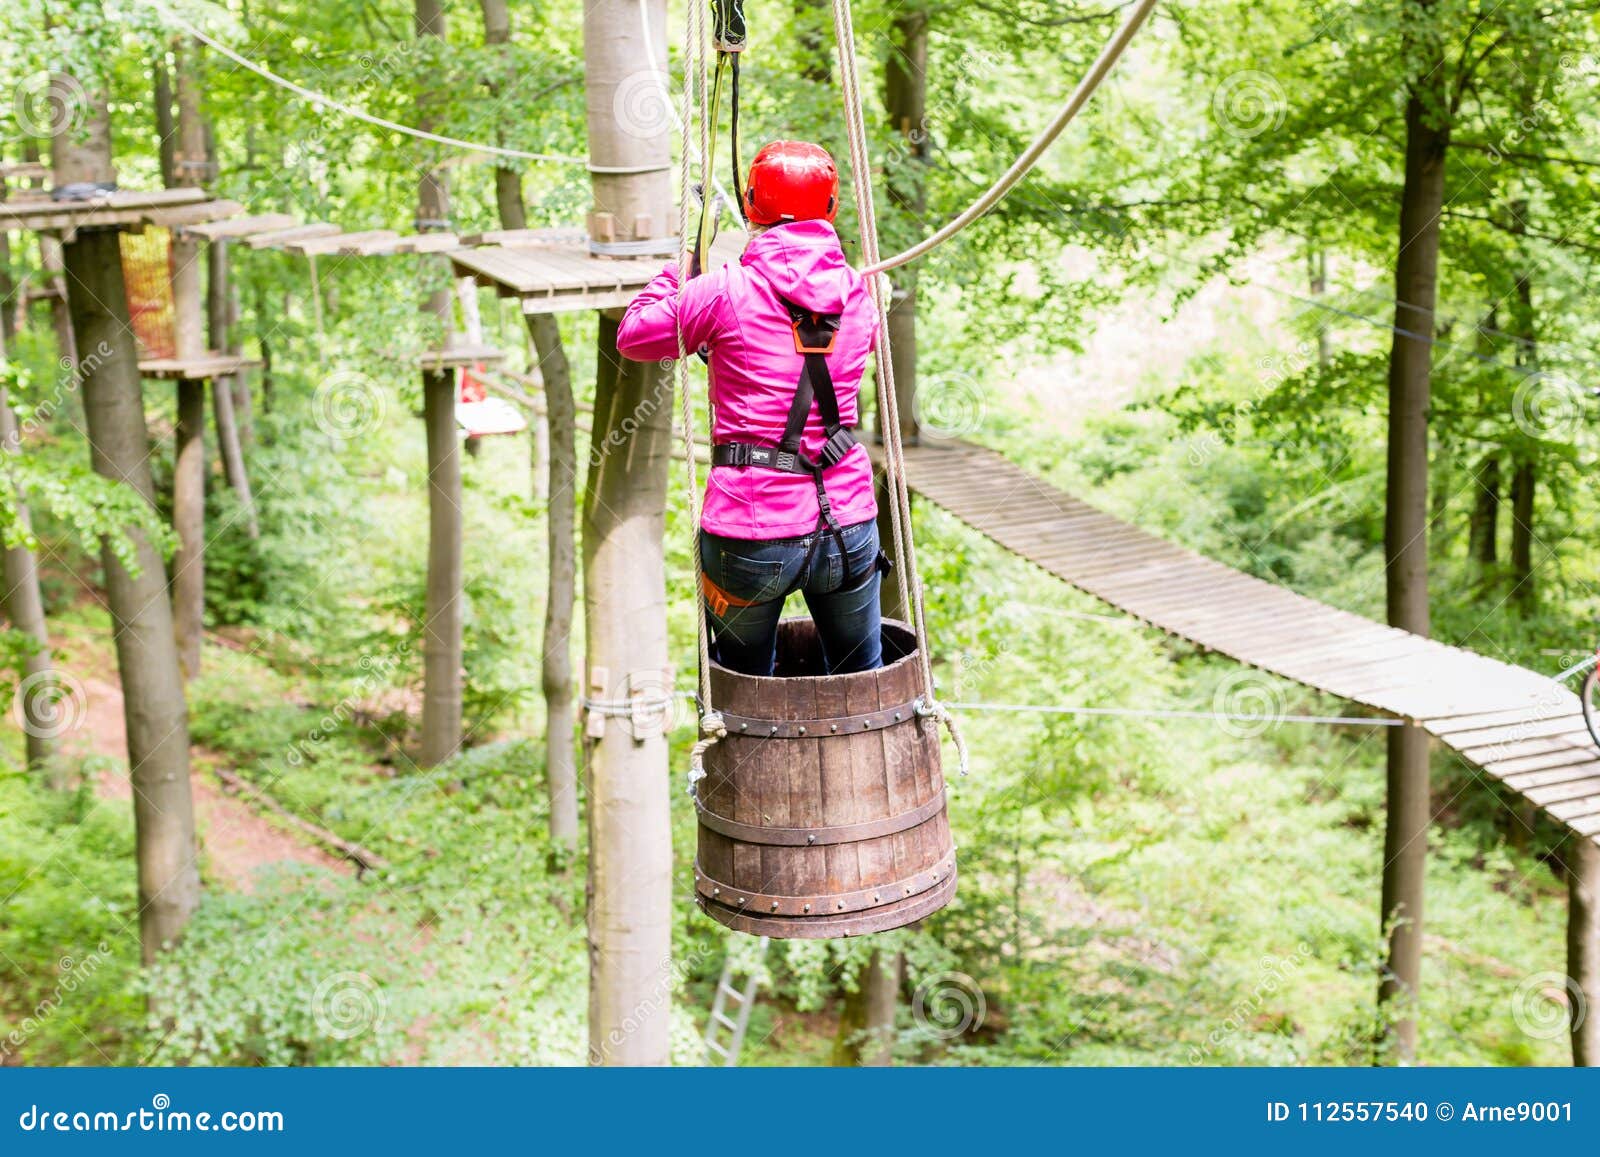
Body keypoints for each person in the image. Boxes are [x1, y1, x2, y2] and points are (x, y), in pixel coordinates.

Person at [617, 140, 886, 678]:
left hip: (751, 527)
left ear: (752, 207)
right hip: (848, 521)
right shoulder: (858, 294)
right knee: (863, 682)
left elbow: (634, 337)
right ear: (830, 208)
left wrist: (681, 269)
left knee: (744, 689)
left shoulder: (723, 292)